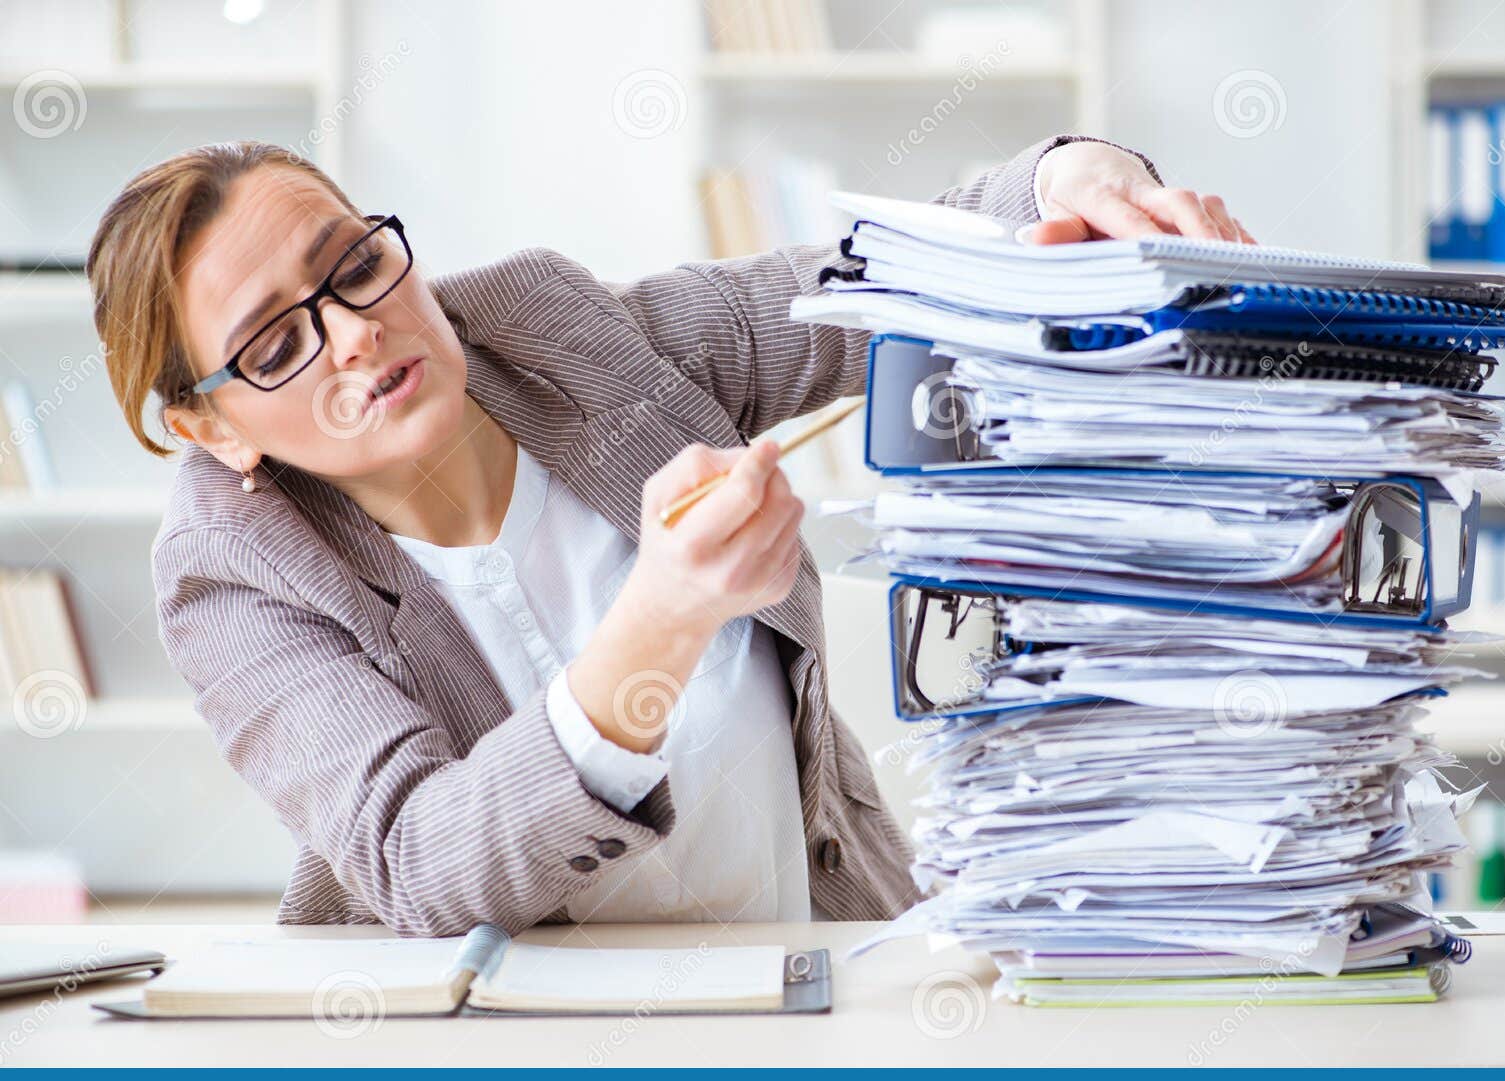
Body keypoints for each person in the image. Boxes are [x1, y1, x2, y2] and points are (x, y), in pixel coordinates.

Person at [86, 133, 1250, 936]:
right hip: (508, 1072)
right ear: (208, 423)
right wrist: (661, 618)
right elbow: (422, 864)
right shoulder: (232, 572)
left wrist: (1072, 176)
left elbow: (864, 282)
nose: (353, 332)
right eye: (276, 342)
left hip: (829, 981)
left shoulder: (555, 330)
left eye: (351, 263)